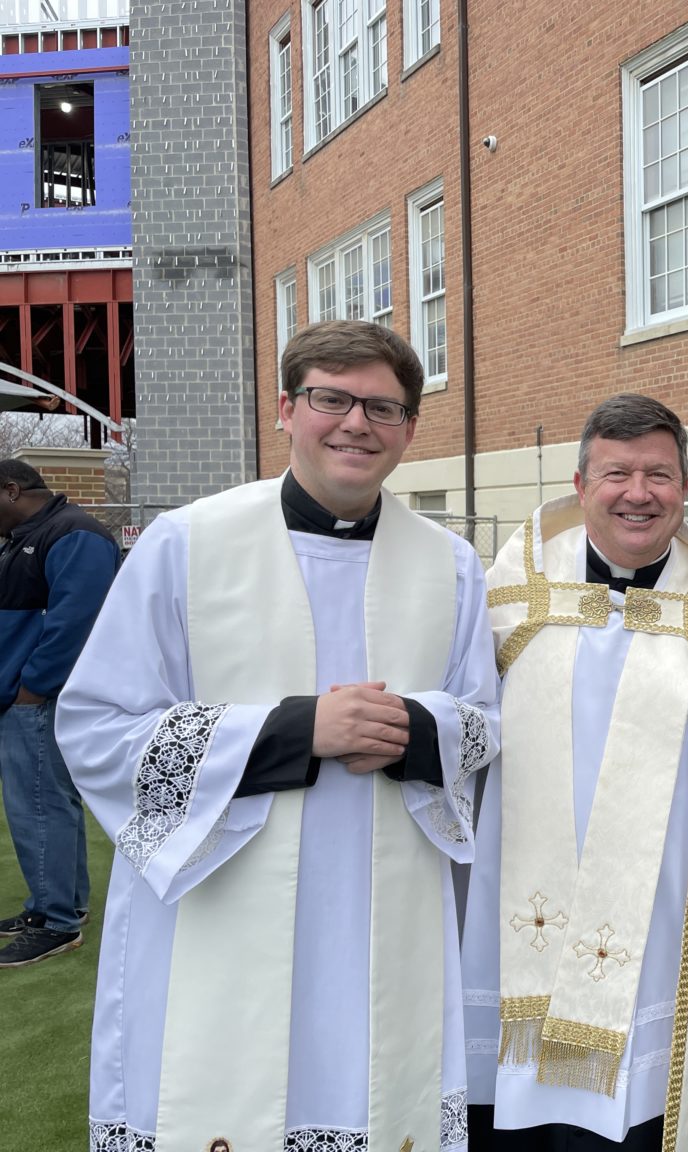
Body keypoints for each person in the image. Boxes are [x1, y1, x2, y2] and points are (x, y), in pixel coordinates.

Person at [56, 321, 500, 1149]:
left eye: (382, 407)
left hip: (385, 913)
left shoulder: (450, 565)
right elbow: (97, 729)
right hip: (221, 913)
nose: (356, 424)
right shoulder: (185, 545)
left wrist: (415, 730)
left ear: (410, 428)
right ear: (286, 409)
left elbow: (484, 721)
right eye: (332, 399)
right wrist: (297, 729)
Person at [462, 394, 688, 1151]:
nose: (638, 494)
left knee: (641, 1117)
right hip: (511, 923)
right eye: (617, 474)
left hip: (663, 928)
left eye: (658, 475)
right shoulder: (508, 604)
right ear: (579, 482)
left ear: (684, 487)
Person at [0, 459, 118, 968]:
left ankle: (56, 922)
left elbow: (76, 621)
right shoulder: (29, 535)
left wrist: (35, 687)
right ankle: (57, 905)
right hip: (24, 695)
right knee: (46, 802)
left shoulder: (74, 533)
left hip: (40, 698)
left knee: (39, 804)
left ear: (10, 489)